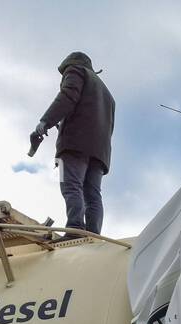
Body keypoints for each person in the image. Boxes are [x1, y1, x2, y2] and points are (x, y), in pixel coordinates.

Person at [31, 52, 115, 235]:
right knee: (93, 194)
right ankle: (93, 234)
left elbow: (68, 97)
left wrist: (46, 121)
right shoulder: (108, 94)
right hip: (100, 151)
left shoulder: (76, 70)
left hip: (74, 144)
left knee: (70, 184)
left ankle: (75, 228)